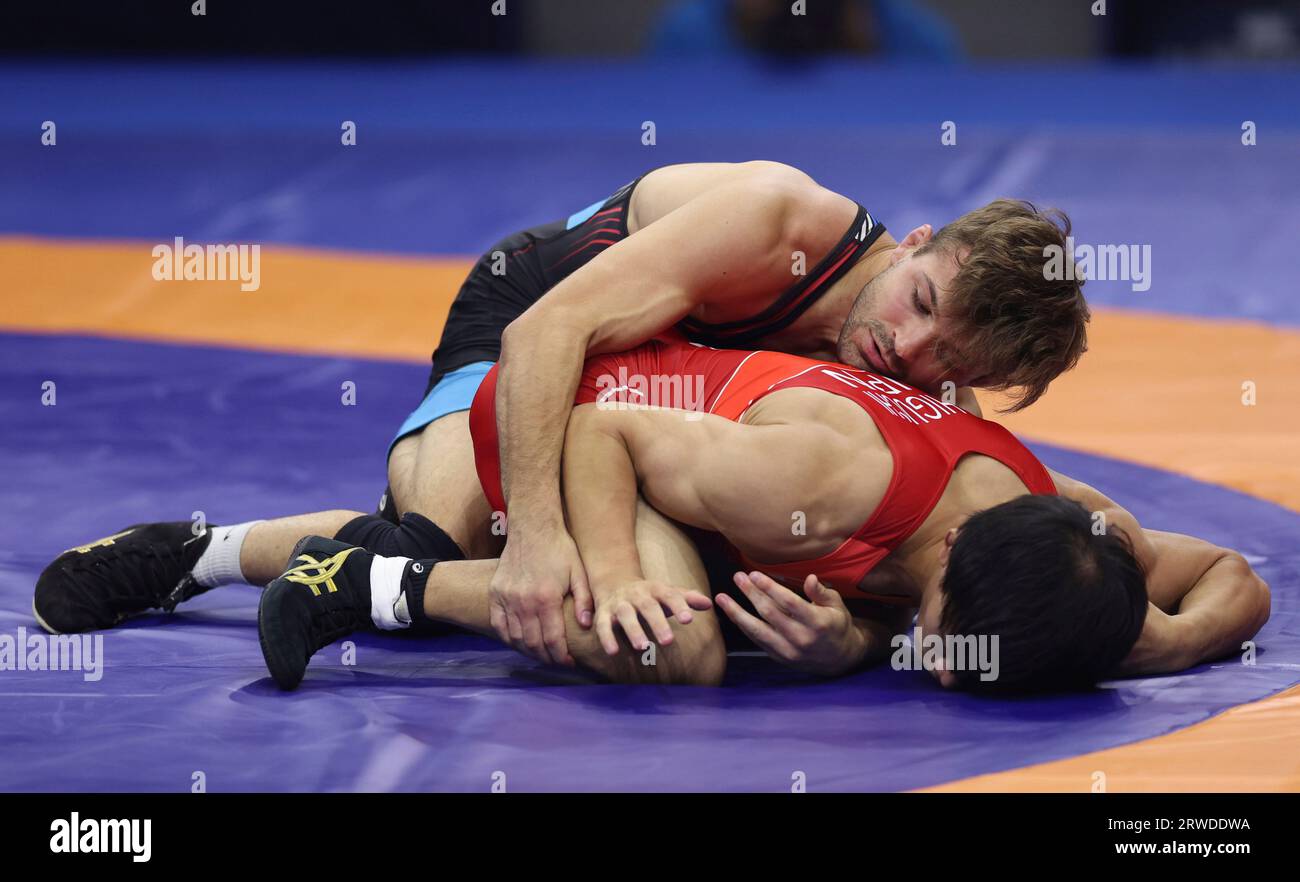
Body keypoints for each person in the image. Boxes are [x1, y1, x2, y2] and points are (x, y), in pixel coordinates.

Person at [35, 161, 1091, 674]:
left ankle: (365, 570)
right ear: (911, 246)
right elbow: (551, 338)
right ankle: (199, 553)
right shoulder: (776, 223)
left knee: (721, 591)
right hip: (538, 325)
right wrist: (539, 536)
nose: (905, 357)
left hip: (663, 405)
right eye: (919, 310)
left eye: (951, 366)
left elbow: (892, 552)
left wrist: (856, 637)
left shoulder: (918, 384)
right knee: (446, 541)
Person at [254, 335, 1270, 692]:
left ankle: (210, 552)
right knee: (670, 644)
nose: (953, 666)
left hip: (701, 483)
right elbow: (607, 428)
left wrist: (1168, 645)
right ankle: (374, 582)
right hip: (587, 415)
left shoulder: (1071, 551)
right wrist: (604, 574)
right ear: (952, 548)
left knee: (691, 608)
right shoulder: (818, 487)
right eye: (943, 638)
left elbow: (1237, 577)